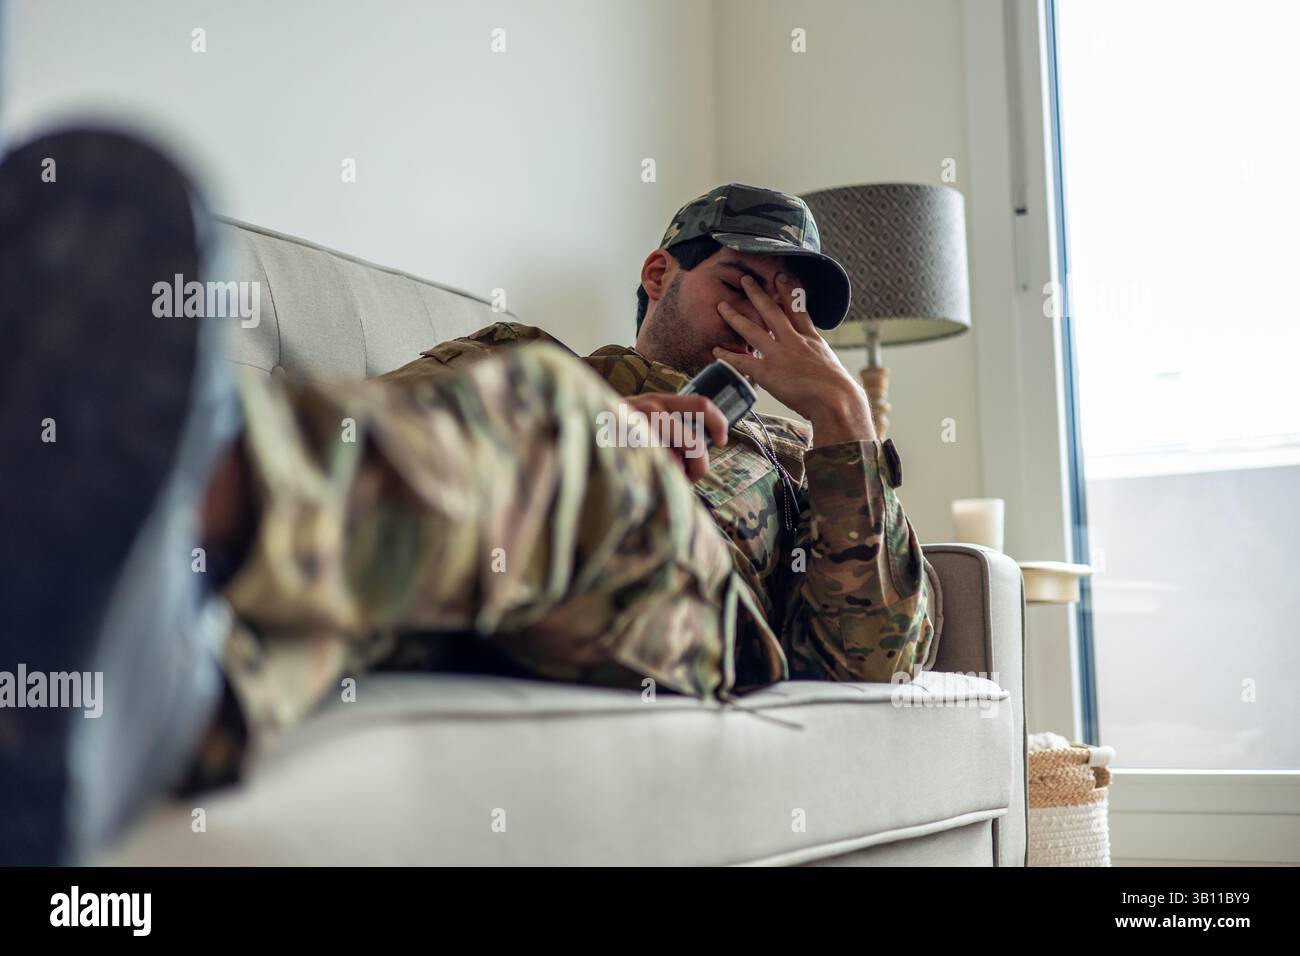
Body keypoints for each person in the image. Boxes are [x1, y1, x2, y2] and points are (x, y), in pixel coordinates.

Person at [0, 131, 939, 865]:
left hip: (682, 619)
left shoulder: (796, 457)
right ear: (660, 273)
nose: (768, 327)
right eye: (744, 289)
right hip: (458, 587)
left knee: (572, 427)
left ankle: (175, 498)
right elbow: (360, 446)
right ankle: (137, 674)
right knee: (502, 450)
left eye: (794, 314)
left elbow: (870, 664)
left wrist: (843, 416)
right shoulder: (515, 357)